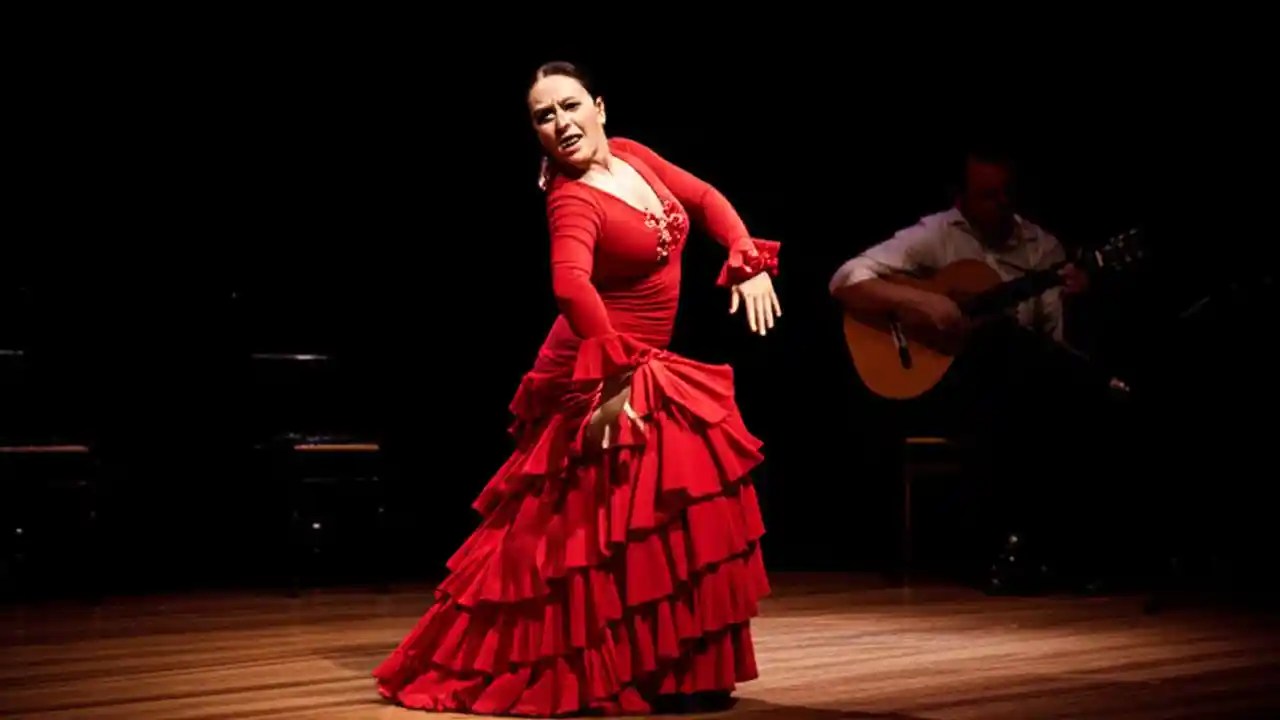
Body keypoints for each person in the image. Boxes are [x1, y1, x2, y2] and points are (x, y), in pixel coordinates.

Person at [372, 61, 781, 716]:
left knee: (660, 511)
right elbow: (570, 286)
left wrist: (745, 256)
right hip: (593, 366)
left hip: (640, 361)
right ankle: (579, 666)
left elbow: (703, 199)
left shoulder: (636, 157)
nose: (561, 124)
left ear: (600, 106)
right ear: (536, 132)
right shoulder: (571, 198)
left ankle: (670, 668)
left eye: (569, 106)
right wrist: (615, 376)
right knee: (582, 529)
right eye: (543, 116)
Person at [828, 147, 1109, 591]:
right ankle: (1012, 546)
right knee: (1001, 352)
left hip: (1020, 389)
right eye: (988, 195)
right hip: (944, 390)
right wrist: (923, 300)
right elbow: (846, 279)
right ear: (960, 198)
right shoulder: (937, 235)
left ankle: (1061, 550)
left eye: (1007, 193)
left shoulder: (1044, 250)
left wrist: (1080, 304)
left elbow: (1053, 347)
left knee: (1025, 363)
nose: (1002, 203)